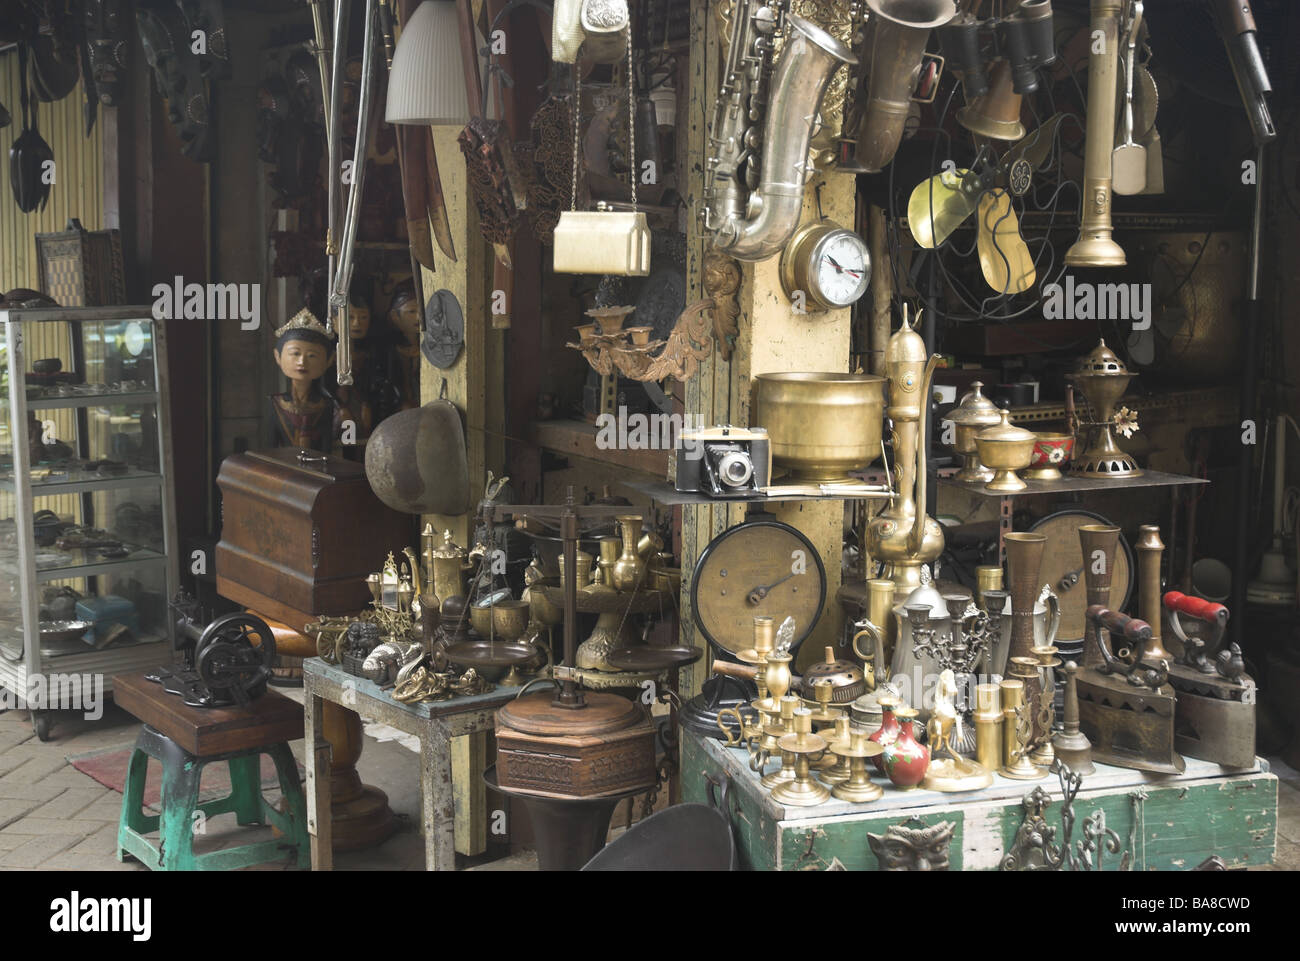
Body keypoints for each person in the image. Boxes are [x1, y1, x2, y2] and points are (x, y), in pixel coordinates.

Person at [268, 307, 339, 453]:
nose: (302, 362)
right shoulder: (274, 403)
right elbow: (270, 447)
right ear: (277, 357)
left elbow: (327, 448)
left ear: (329, 360)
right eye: (295, 353)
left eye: (312, 355)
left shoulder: (326, 404)